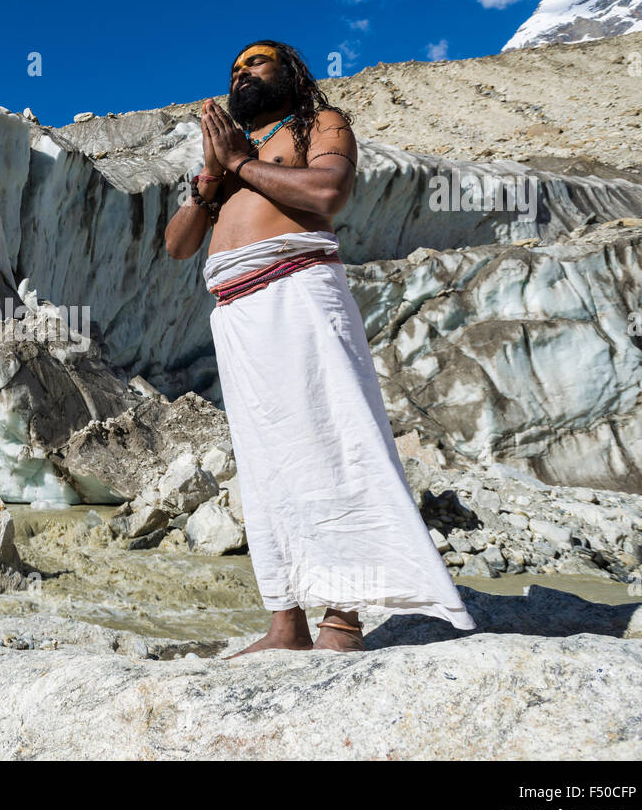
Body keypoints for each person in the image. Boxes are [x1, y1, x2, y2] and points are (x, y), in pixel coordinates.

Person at [165, 40, 476, 654]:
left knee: (334, 444)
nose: (243, 73)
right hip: (237, 315)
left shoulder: (319, 124)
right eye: (234, 69)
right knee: (265, 465)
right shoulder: (225, 163)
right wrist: (211, 176)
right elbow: (178, 245)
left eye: (256, 62)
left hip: (299, 294)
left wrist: (241, 163)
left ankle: (343, 620)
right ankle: (286, 622)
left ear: (290, 71)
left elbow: (326, 194)